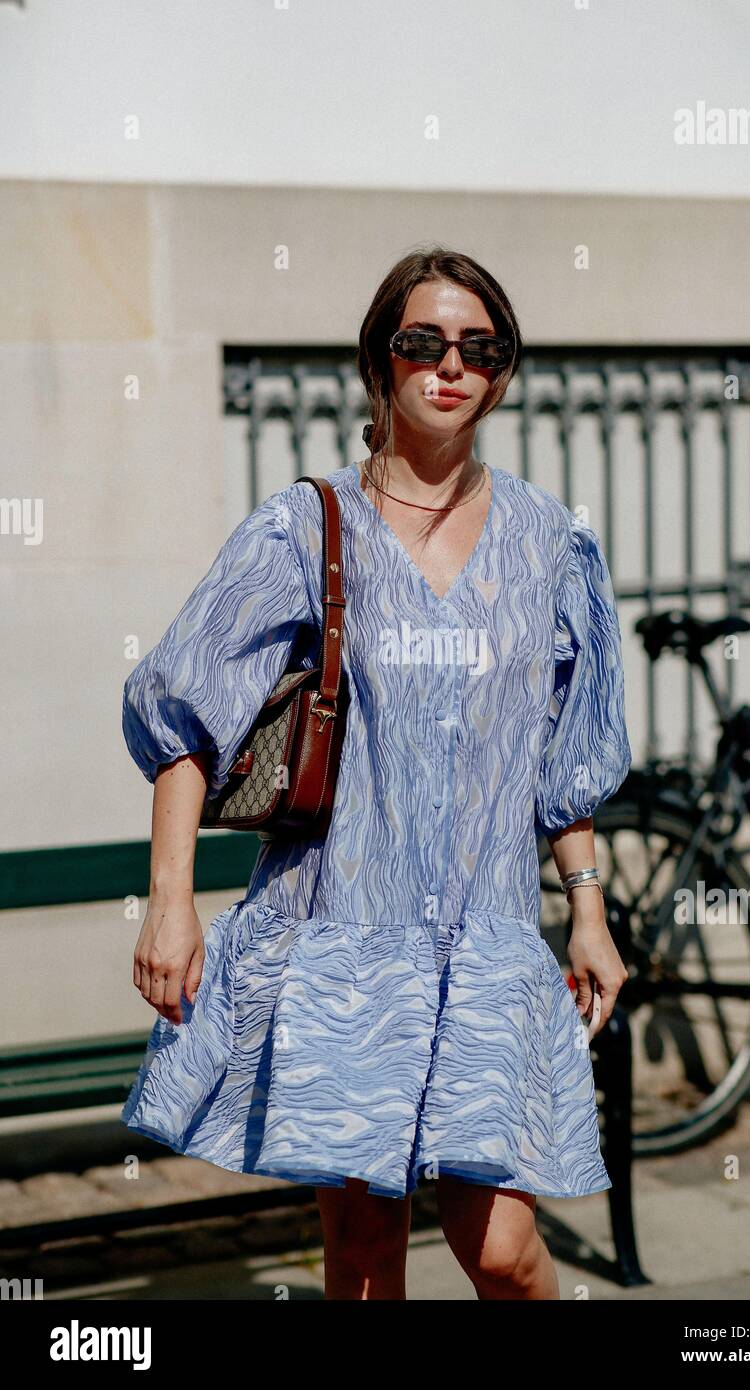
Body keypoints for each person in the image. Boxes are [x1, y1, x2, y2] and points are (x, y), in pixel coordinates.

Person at [120, 247, 632, 1301]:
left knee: (498, 1249)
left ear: (502, 372)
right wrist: (171, 901)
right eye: (423, 342)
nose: (451, 366)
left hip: (488, 944)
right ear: (378, 360)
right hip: (345, 945)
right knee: (360, 1260)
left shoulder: (547, 541)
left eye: (480, 348)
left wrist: (586, 908)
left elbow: (558, 749)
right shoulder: (306, 527)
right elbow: (186, 712)